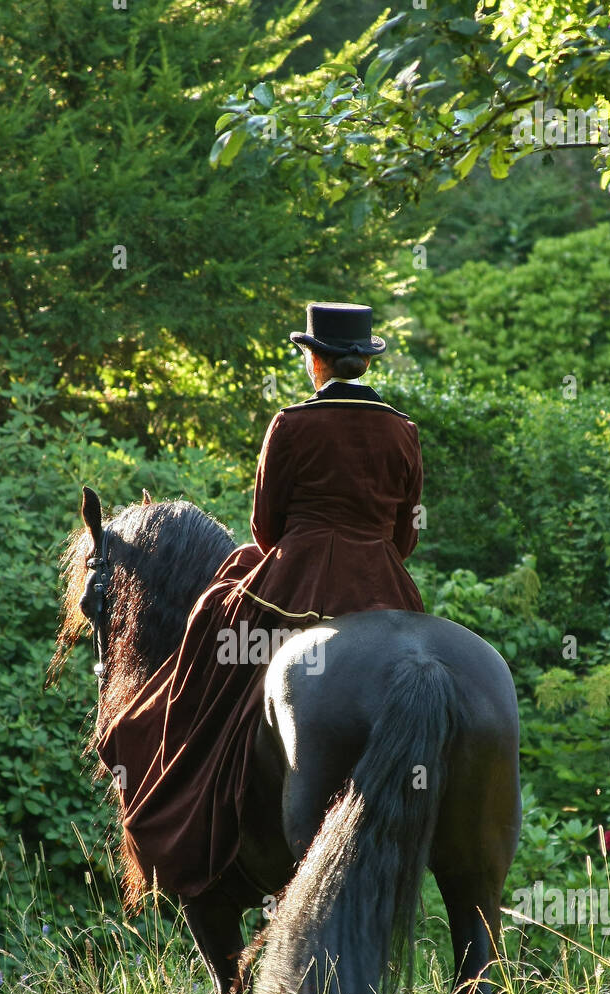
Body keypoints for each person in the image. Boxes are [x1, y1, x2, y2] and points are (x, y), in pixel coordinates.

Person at [98, 301, 425, 902]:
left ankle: (195, 795)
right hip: (385, 588)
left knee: (209, 647)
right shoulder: (404, 431)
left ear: (315, 360)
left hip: (297, 582)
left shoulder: (291, 425)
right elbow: (404, 537)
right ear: (366, 358)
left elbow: (266, 529)